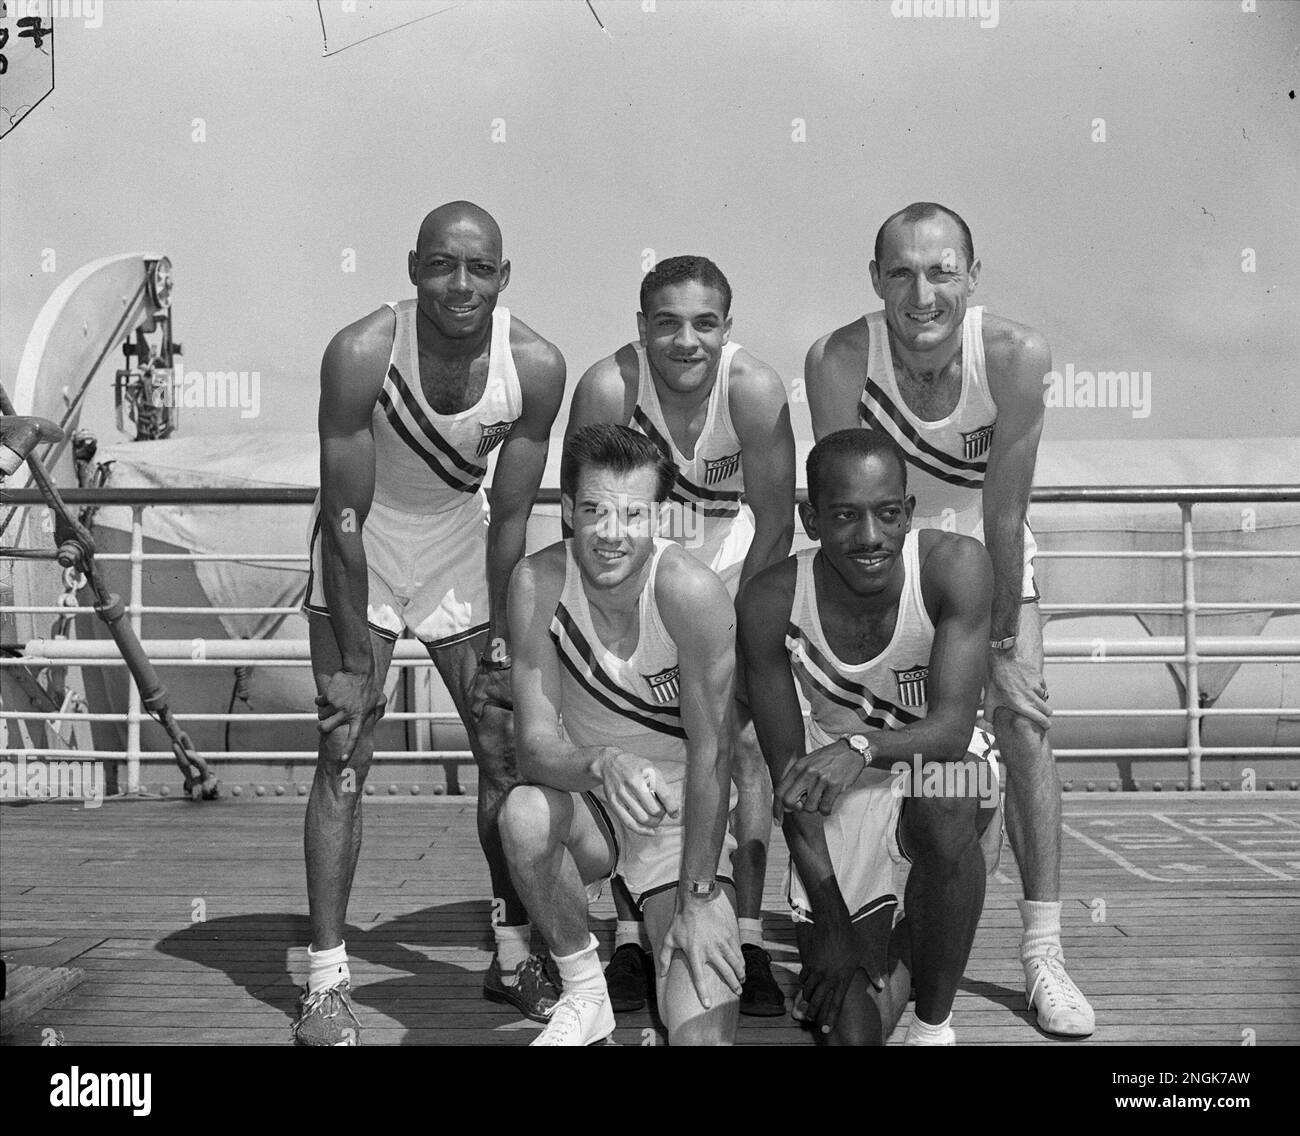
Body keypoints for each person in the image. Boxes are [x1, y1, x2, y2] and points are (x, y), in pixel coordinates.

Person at [804, 202, 1094, 1036]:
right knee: (906, 758)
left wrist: (1002, 649)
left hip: (984, 550)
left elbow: (1003, 517)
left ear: (972, 275)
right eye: (900, 272)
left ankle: (1044, 953)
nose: (921, 293)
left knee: (1025, 723)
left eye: (941, 272)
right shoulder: (838, 359)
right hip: (883, 557)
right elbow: (842, 499)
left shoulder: (1013, 355)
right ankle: (893, 907)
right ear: (875, 280)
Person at [293, 201, 567, 1045]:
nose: (461, 285)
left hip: (459, 542)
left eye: (480, 269)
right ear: (413, 267)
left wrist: (498, 641)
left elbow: (513, 517)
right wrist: (349, 647)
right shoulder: (363, 351)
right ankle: (328, 978)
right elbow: (343, 518)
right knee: (344, 748)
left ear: (504, 276)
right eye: (443, 265)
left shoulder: (534, 364)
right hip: (361, 544)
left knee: (504, 749)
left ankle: (513, 951)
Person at [565, 256, 794, 1016]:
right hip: (639, 558)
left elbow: (777, 522)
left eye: (703, 323)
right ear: (641, 327)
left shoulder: (754, 390)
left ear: (727, 329)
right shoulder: (608, 387)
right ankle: (631, 932)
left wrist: (740, 629)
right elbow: (588, 508)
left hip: (729, 566)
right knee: (619, 730)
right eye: (666, 322)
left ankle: (750, 935)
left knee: (744, 748)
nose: (684, 340)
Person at [738, 428, 1001, 1045]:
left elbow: (952, 730)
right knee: (850, 1037)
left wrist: (860, 748)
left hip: (941, 766)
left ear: (909, 511)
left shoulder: (954, 567)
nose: (871, 536)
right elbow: (791, 781)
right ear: (811, 518)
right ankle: (918, 922)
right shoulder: (771, 598)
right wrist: (831, 923)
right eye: (846, 516)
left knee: (946, 799)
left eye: (887, 513)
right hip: (837, 793)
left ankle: (934, 1030)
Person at [499, 423, 744, 1045]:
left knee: (701, 1040)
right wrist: (604, 762)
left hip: (679, 816)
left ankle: (674, 937)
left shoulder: (693, 593)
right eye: (594, 511)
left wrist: (697, 897)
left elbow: (715, 758)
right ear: (568, 512)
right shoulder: (537, 582)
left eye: (632, 513)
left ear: (659, 515)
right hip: (596, 803)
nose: (611, 533)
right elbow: (532, 750)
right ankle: (585, 993)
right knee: (524, 815)